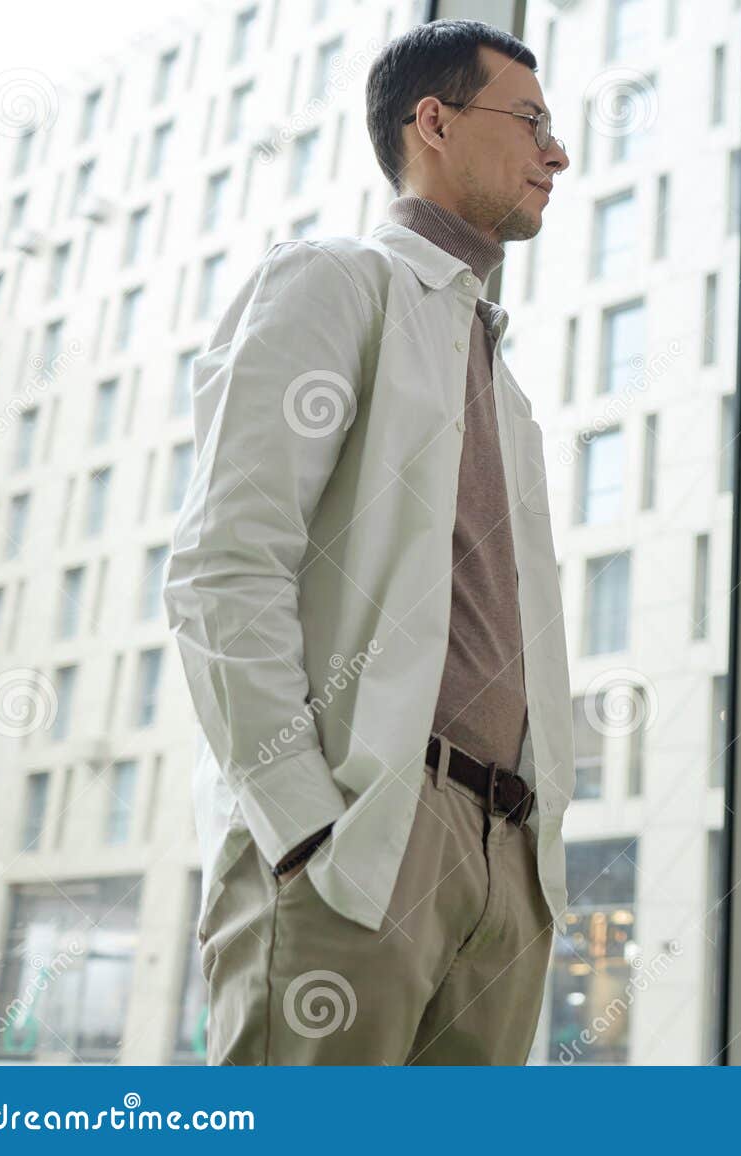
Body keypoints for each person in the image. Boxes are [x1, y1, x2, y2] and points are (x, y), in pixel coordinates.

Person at [165, 19, 572, 1065]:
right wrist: (303, 824)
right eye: (530, 121)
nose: (556, 152)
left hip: (501, 865)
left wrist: (523, 867)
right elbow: (224, 565)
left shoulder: (504, 382)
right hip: (360, 840)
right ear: (431, 122)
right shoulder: (334, 283)